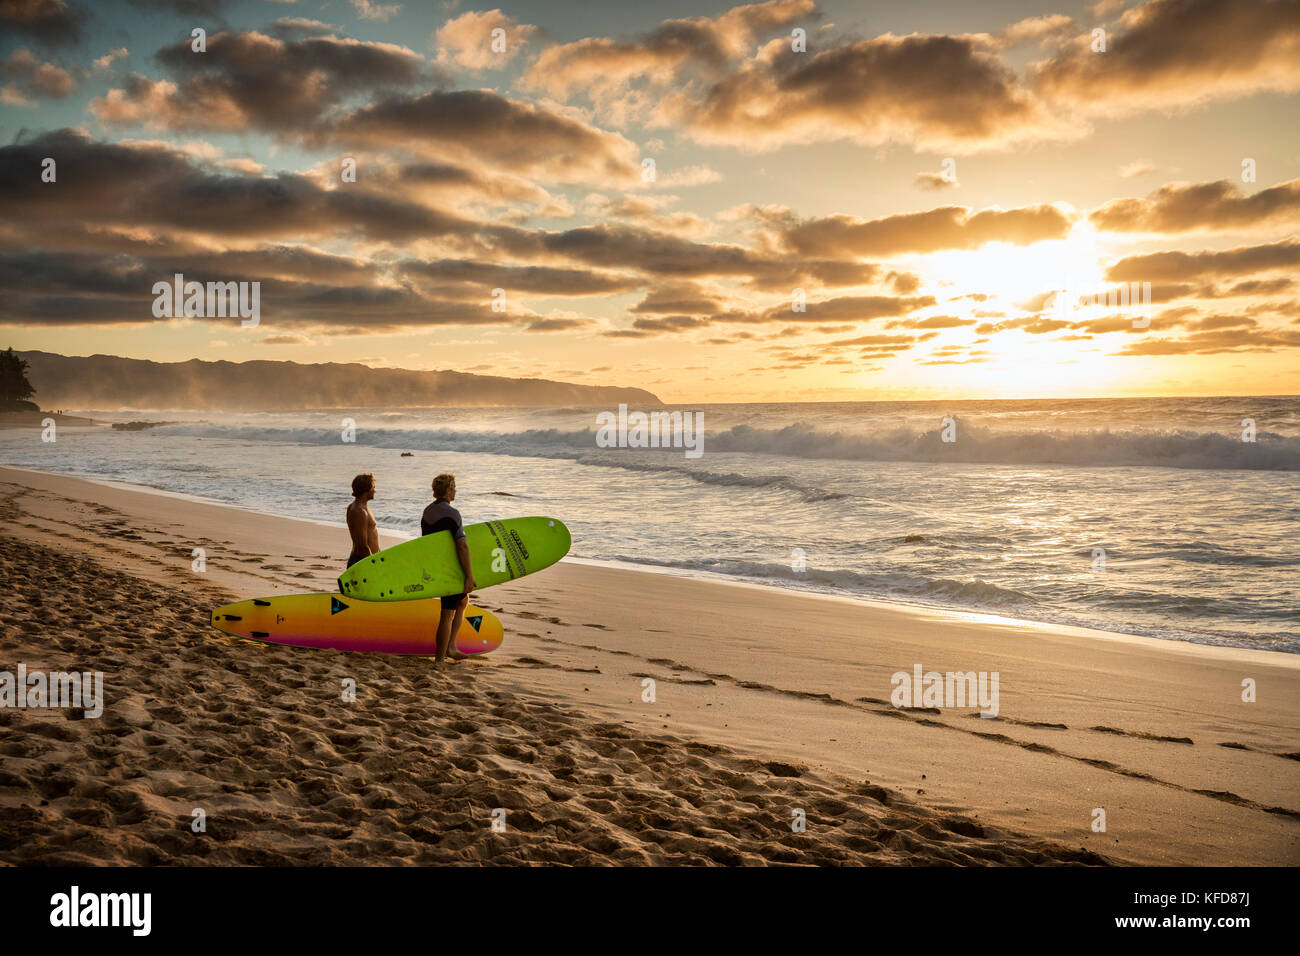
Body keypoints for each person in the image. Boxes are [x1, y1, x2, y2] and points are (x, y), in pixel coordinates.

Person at [422, 473, 476, 666]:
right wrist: (469, 575)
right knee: (447, 613)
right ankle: (440, 658)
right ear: (447, 490)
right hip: (451, 569)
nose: (455, 490)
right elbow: (462, 546)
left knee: (463, 600)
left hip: (436, 566)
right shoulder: (453, 513)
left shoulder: (427, 511)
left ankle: (451, 647)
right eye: (453, 487)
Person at [346, 473, 379, 569]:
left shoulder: (361, 508)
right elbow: (362, 547)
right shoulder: (359, 512)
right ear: (367, 489)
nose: (375, 491)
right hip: (362, 562)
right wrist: (374, 566)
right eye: (373, 487)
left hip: (367, 560)